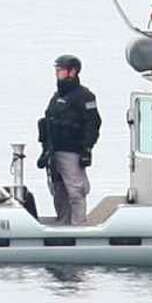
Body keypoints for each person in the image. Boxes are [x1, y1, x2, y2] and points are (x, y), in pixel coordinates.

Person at [37, 54, 101, 225]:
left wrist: (87, 149)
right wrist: (45, 149)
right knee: (58, 189)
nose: (57, 73)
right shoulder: (57, 96)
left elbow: (93, 124)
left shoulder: (84, 96)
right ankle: (63, 222)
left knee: (75, 190)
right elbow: (47, 121)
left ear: (72, 72)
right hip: (54, 150)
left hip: (72, 151)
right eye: (57, 70)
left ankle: (78, 224)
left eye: (61, 70)